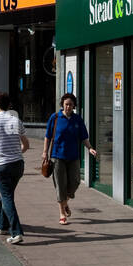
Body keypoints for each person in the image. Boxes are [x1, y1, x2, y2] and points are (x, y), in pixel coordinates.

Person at [42, 93, 98, 225]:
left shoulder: (77, 119)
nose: (68, 107)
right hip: (57, 157)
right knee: (60, 185)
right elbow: (48, 136)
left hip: (73, 157)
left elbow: (83, 136)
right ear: (62, 104)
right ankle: (62, 213)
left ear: (74, 106)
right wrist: (45, 152)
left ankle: (65, 202)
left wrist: (89, 148)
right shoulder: (55, 118)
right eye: (66, 104)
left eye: (71, 105)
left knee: (75, 182)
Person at [0, 92, 29, 243]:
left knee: (6, 196)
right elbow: (26, 145)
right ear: (9, 105)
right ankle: (1, 224)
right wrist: (16, 152)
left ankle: (16, 232)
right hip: (18, 165)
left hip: (1, 165)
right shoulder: (17, 122)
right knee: (7, 193)